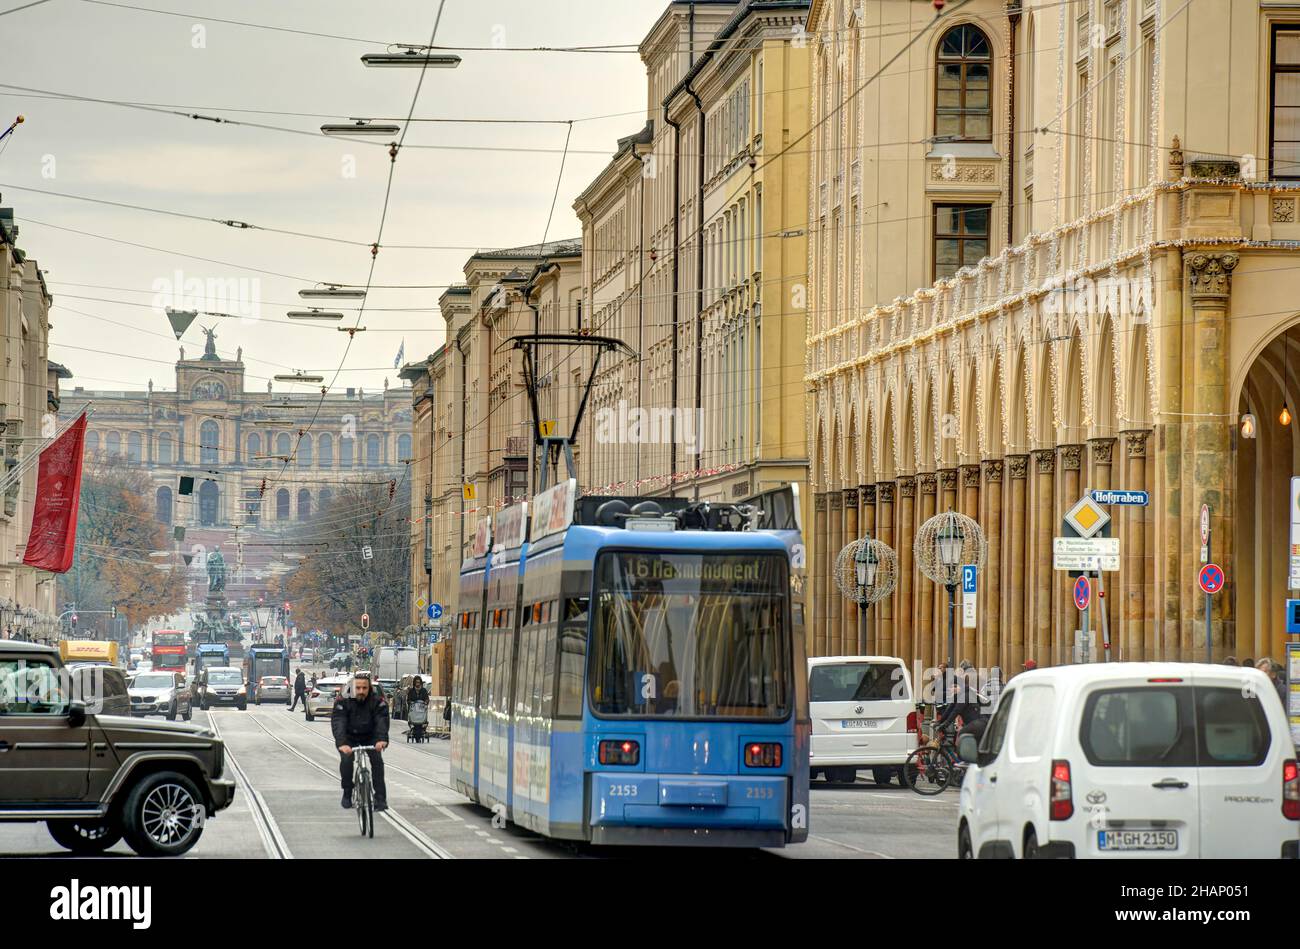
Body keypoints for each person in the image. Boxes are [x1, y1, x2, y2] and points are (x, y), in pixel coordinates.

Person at [332, 671, 389, 811]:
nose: (361, 691)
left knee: (377, 762)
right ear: (352, 687)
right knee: (346, 761)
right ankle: (347, 791)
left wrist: (381, 740)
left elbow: (381, 720)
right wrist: (342, 743)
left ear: (369, 688)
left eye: (364, 688)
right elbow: (339, 722)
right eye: (358, 688)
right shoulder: (343, 701)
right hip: (349, 738)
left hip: (370, 737)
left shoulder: (377, 701)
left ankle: (380, 798)